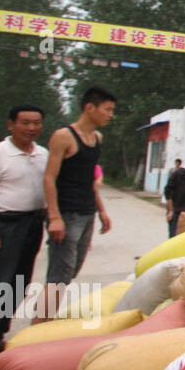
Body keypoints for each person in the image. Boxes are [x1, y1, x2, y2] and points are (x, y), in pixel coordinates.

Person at [42, 86, 115, 317]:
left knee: (70, 271)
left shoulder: (97, 138)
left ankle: (44, 318)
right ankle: (39, 326)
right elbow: (49, 178)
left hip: (86, 214)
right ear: (89, 107)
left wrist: (101, 210)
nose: (110, 115)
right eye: (107, 109)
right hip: (66, 214)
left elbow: (90, 181)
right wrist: (54, 217)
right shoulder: (63, 136)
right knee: (59, 276)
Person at [0, 105, 48, 350]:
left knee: (21, 281)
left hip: (34, 224)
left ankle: (1, 329)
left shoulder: (43, 154)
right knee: (2, 280)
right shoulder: (0, 153)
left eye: (36, 123)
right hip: (6, 224)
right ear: (11, 125)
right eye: (25, 122)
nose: (31, 128)